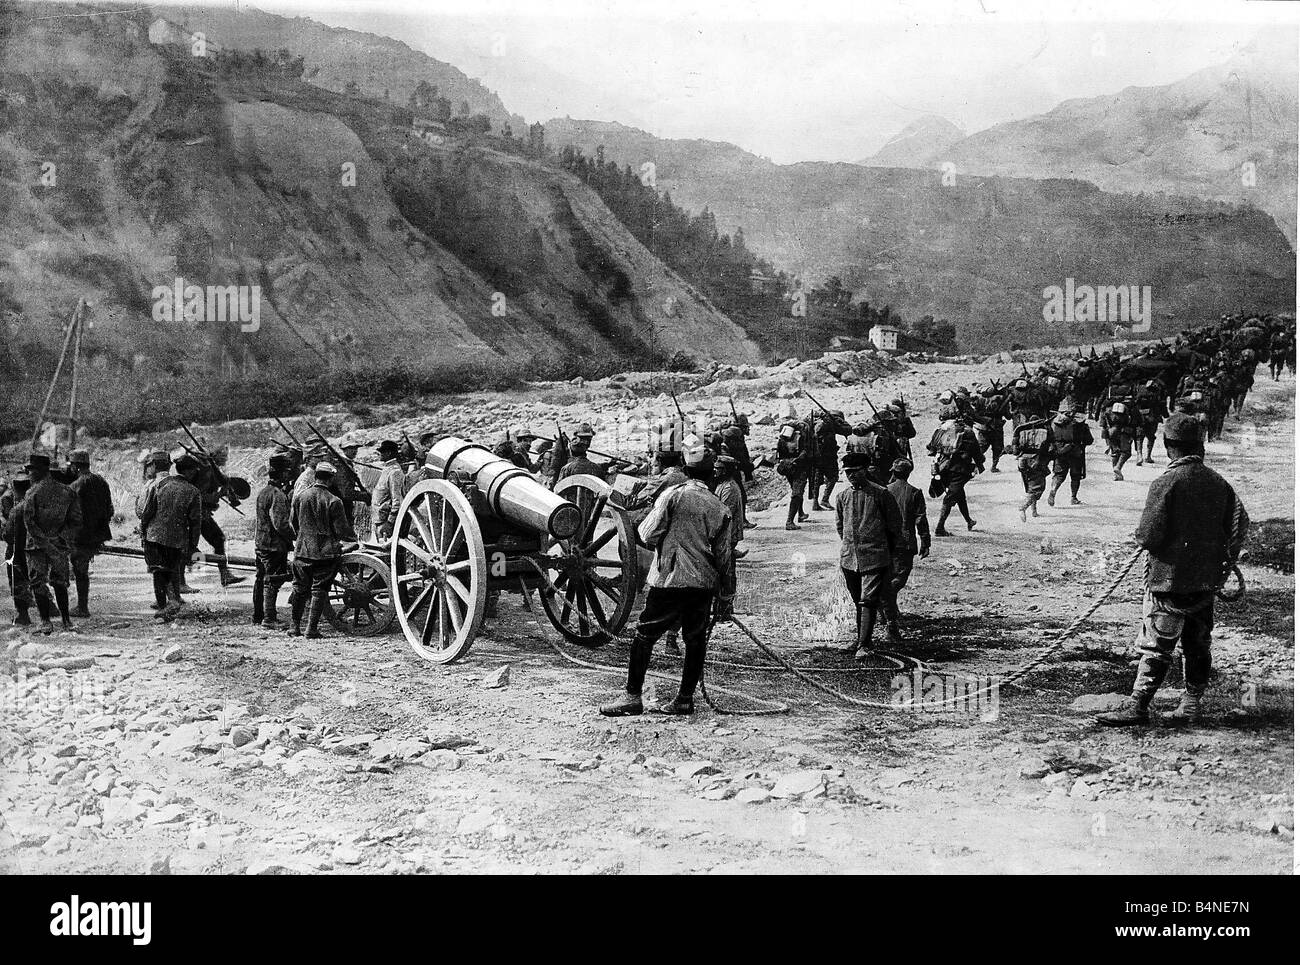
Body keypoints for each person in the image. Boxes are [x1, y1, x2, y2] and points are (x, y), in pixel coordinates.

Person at [1096, 414, 1249, 726]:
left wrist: (1144, 538)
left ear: (1168, 447)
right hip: (1205, 583)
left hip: (1169, 580)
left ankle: (1137, 706)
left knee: (1157, 641)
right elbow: (1239, 523)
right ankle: (1191, 705)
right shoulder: (1218, 482)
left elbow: (1149, 535)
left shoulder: (1165, 482)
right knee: (1197, 642)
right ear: (1200, 445)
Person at [599, 440, 732, 717]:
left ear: (686, 469)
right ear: (711, 474)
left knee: (645, 635)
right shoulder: (720, 507)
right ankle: (684, 700)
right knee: (695, 641)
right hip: (702, 584)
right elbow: (724, 558)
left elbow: (647, 533)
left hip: (669, 579)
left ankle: (632, 697)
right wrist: (726, 594)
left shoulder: (673, 495)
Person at [835, 451, 903, 659]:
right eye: (848, 472)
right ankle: (862, 640)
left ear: (866, 470)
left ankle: (864, 644)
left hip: (875, 557)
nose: (852, 476)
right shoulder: (842, 496)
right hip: (849, 558)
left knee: (867, 600)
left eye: (856, 471)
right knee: (859, 601)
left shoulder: (881, 494)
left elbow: (894, 527)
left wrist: (887, 554)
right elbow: (840, 526)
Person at [289, 461, 358, 639]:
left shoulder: (301, 497)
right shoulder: (334, 501)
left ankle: (294, 627)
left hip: (302, 551)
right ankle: (311, 629)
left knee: (299, 588)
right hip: (325, 554)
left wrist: (303, 537)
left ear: (316, 476)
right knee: (319, 589)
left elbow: (293, 523)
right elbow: (342, 530)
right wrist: (354, 539)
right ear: (331, 479)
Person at [20, 453, 82, 634]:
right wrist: (60, 540)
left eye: (31, 470)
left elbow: (29, 523)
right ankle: (65, 620)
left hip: (37, 545)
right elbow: (76, 521)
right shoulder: (67, 491)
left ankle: (46, 621)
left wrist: (49, 543)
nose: (29, 473)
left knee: (38, 581)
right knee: (59, 581)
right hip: (58, 544)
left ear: (41, 471)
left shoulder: (32, 492)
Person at [138, 453, 202, 622]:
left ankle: (163, 606)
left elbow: (147, 512)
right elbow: (195, 523)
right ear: (191, 472)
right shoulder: (193, 491)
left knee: (158, 572)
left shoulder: (160, 485)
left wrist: (143, 532)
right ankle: (171, 603)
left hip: (153, 536)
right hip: (176, 539)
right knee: (171, 569)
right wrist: (193, 546)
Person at [884, 458, 929, 643]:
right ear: (909, 473)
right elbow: (920, 519)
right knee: (897, 580)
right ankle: (890, 620)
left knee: (887, 578)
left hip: (886, 544)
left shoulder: (884, 491)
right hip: (905, 543)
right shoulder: (915, 492)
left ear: (893, 472)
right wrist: (926, 542)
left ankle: (887, 610)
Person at [66, 449, 114, 617]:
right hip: (98, 533)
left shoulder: (76, 486)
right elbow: (110, 509)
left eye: (72, 466)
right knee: (82, 569)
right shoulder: (101, 481)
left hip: (81, 536)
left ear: (76, 467)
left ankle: (82, 607)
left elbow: (71, 513)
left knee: (80, 571)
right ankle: (81, 606)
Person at [253, 453, 296, 628]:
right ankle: (269, 619)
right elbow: (281, 525)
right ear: (282, 473)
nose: (289, 474)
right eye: (287, 471)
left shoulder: (264, 492)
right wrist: (294, 537)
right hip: (274, 545)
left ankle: (258, 615)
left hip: (261, 543)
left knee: (261, 578)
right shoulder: (278, 494)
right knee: (273, 581)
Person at [194, 445, 245, 587]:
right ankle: (223, 574)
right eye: (223, 455)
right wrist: (219, 495)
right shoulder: (207, 471)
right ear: (215, 455)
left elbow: (224, 482)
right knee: (215, 540)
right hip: (197, 514)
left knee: (215, 540)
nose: (226, 458)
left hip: (201, 514)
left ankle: (224, 574)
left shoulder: (213, 470)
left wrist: (230, 495)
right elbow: (199, 496)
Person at [926, 413, 984, 535]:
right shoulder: (968, 432)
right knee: (951, 497)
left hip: (942, 467)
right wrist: (980, 463)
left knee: (959, 494)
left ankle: (969, 521)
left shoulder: (944, 428)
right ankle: (940, 528)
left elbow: (931, 447)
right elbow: (977, 452)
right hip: (959, 469)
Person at [1046, 402, 1093, 507]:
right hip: (1075, 452)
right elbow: (1089, 440)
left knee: (1059, 475)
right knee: (1075, 476)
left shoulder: (1053, 422)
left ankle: (1053, 490)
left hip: (1059, 451)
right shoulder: (1079, 423)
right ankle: (1073, 497)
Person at [1, 472, 33, 625]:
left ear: (15, 487)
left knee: (17, 581)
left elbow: (7, 534)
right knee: (35, 578)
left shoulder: (16, 509)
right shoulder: (37, 505)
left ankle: (23, 615)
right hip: (34, 549)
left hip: (16, 550)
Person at [1011, 414, 1053, 522]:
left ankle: (1034, 511)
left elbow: (1015, 451)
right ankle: (1023, 507)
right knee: (1038, 489)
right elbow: (1050, 449)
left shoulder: (1019, 430)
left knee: (1030, 487)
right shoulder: (1045, 431)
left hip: (1023, 462)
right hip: (1037, 462)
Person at [776, 417, 813, 530]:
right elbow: (807, 453)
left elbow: (779, 454)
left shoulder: (783, 439)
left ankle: (801, 513)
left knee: (796, 490)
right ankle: (789, 521)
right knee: (797, 493)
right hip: (799, 467)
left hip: (787, 467)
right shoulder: (803, 437)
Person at [370, 440, 407, 542]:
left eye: (382, 452)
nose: (380, 454)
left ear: (389, 453)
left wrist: (390, 522)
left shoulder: (395, 472)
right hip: (379, 521)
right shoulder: (387, 469)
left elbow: (398, 501)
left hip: (385, 523)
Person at [1100, 400, 1137, 480]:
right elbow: (1136, 421)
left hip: (1111, 431)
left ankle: (1116, 475)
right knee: (1126, 452)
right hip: (1125, 431)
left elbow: (1103, 423)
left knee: (1114, 452)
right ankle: (1118, 467)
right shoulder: (1129, 405)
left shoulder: (1108, 405)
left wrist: (1106, 438)